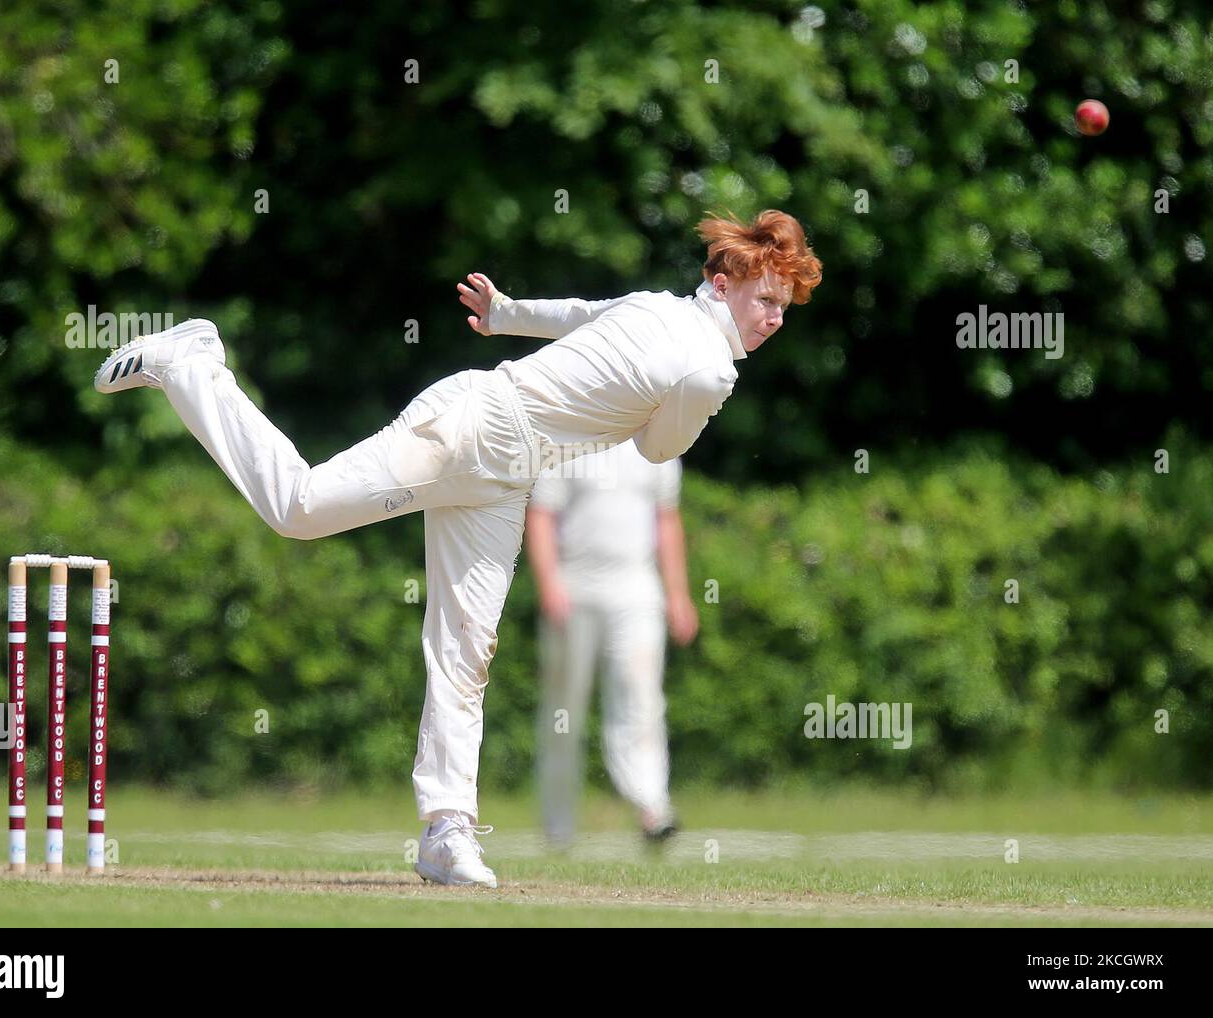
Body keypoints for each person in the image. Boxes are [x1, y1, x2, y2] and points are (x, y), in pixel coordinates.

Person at [92, 209, 822, 888]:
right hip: (476, 428)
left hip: (506, 472)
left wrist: (506, 315)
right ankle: (192, 364)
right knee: (299, 507)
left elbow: (579, 316)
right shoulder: (710, 370)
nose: (774, 320)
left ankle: (447, 830)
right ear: (720, 284)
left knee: (467, 647)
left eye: (784, 308)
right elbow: (658, 447)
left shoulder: (653, 307)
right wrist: (669, 402)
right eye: (764, 300)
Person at [526, 439, 698, 850]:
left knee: (641, 697)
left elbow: (667, 520)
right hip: (575, 588)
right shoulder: (567, 442)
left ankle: (652, 807)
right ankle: (558, 825)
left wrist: (678, 594)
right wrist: (549, 583)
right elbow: (541, 516)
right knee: (563, 711)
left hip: (636, 587)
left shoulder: (660, 444)